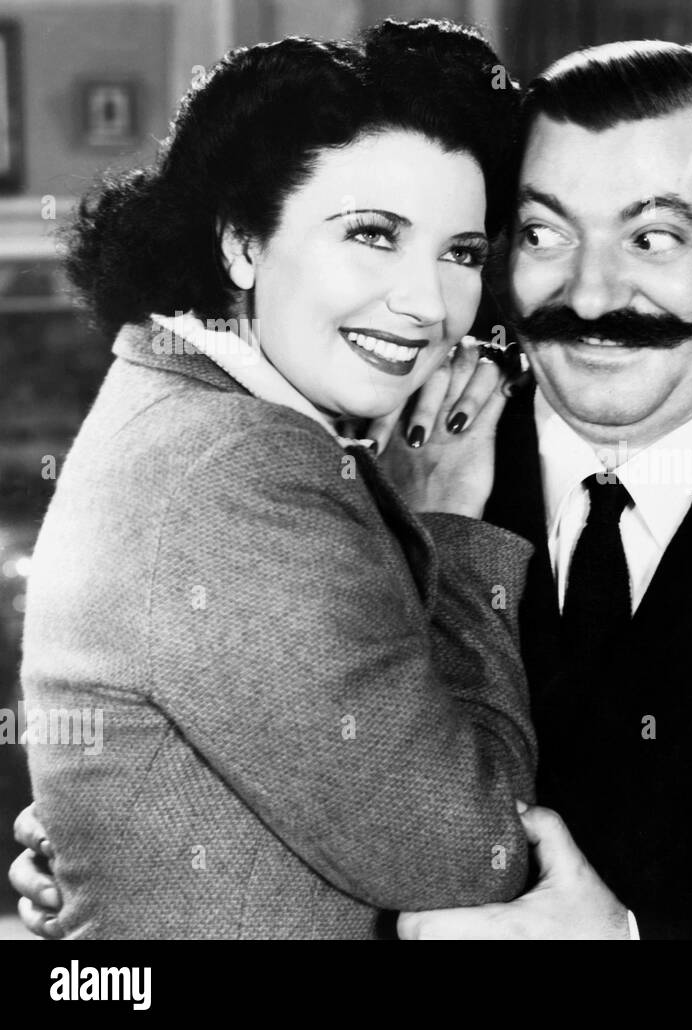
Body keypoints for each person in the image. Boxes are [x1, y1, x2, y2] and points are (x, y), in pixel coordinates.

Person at [15, 43, 692, 941]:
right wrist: (134, 835)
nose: (592, 295)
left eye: (653, 238)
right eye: (546, 235)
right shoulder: (388, 456)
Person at [8, 18, 537, 939]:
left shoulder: (173, 395)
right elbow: (469, 854)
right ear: (243, 243)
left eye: (460, 252)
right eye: (374, 234)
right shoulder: (242, 466)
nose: (428, 303)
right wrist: (451, 525)